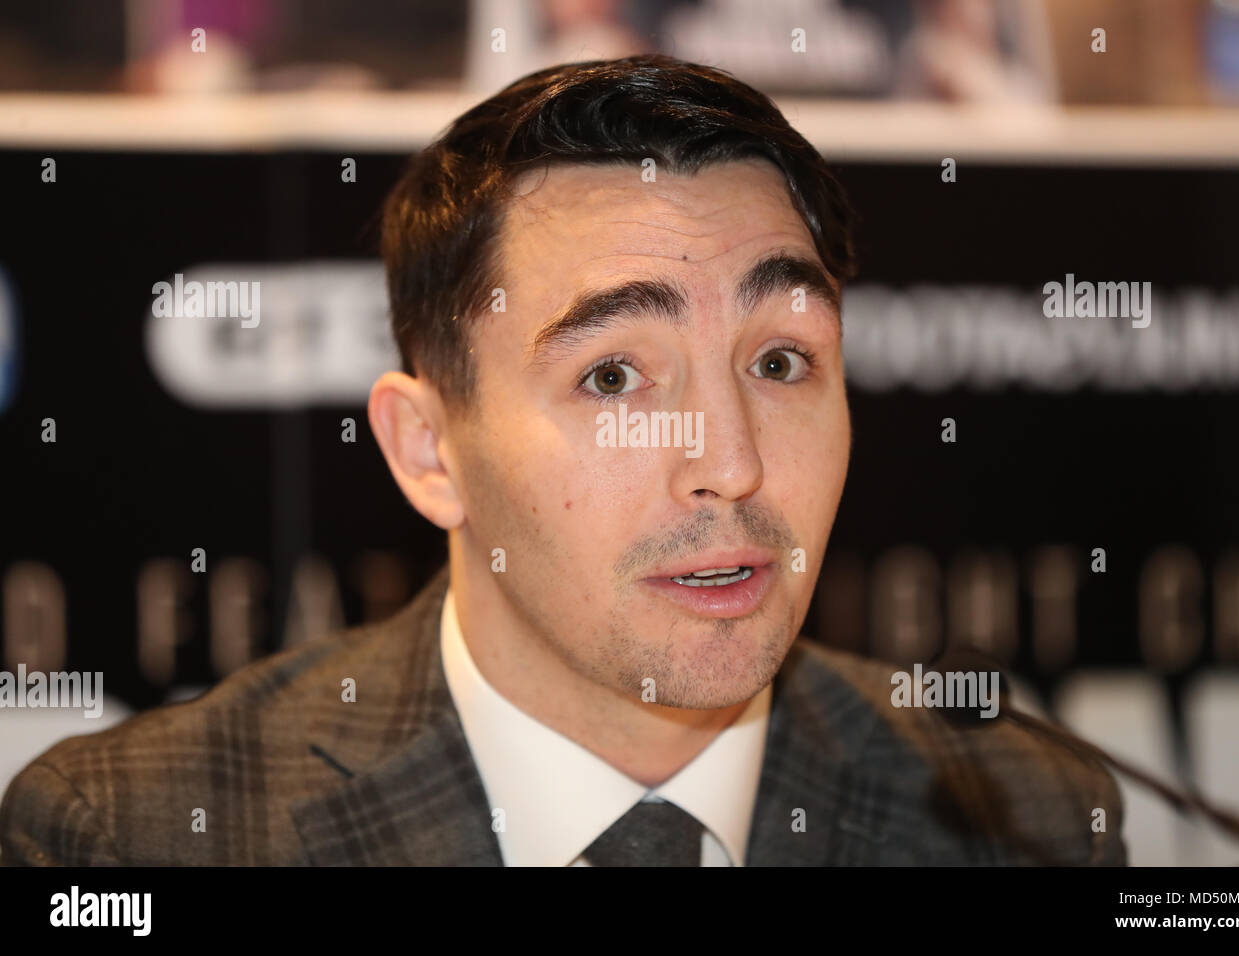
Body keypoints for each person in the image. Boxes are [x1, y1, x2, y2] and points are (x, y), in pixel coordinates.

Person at [2, 54, 1137, 866]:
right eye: (611, 376)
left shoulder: (1024, 813)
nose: (728, 464)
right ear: (428, 449)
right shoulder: (128, 837)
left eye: (781, 360)